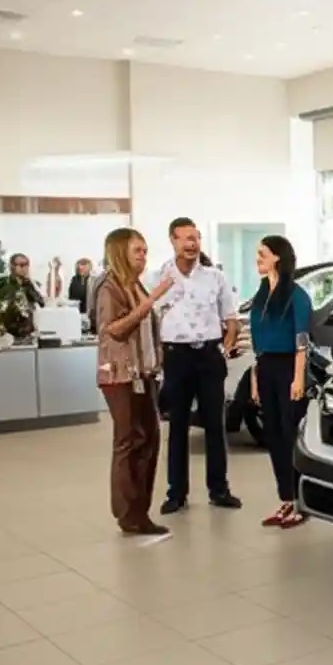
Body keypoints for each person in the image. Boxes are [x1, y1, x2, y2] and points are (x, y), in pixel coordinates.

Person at [156, 217, 242, 514]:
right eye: (185, 238)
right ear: (173, 240)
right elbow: (151, 319)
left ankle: (219, 489)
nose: (191, 244)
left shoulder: (215, 277)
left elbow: (231, 319)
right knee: (177, 425)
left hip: (208, 355)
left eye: (196, 238)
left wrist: (225, 346)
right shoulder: (160, 277)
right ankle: (176, 493)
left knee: (214, 426)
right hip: (176, 356)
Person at [95, 228, 174, 536]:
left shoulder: (135, 285)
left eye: (145, 250)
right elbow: (113, 330)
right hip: (119, 375)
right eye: (137, 250)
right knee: (128, 441)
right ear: (120, 253)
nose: (143, 256)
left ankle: (140, 510)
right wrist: (150, 302)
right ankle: (127, 512)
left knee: (149, 440)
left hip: (144, 374)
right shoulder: (109, 287)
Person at [248, 236, 311, 528]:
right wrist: (255, 379)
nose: (257, 258)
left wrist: (298, 379)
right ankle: (285, 499)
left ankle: (301, 503)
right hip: (266, 367)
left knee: (289, 436)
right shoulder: (261, 295)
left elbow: (302, 342)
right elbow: (257, 341)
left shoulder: (297, 296)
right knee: (272, 436)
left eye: (262, 254)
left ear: (277, 257)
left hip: (289, 368)